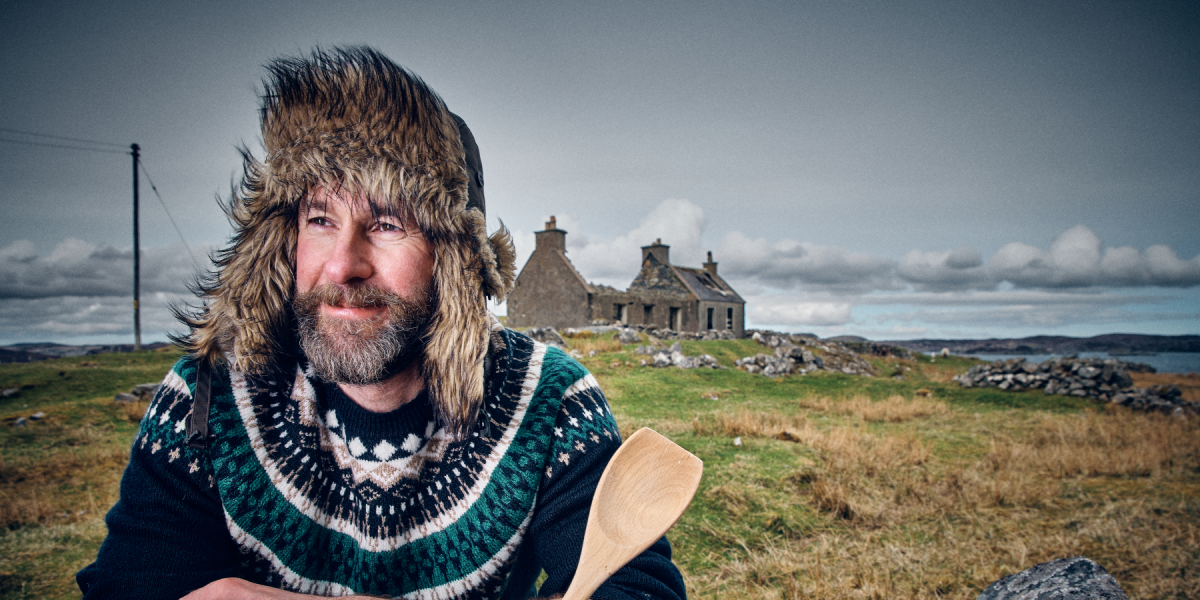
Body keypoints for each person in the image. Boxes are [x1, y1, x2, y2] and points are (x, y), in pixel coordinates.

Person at [77, 46, 687, 600]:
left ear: (454, 259)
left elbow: (637, 587)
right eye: (319, 219)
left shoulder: (547, 401)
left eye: (388, 224)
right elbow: (130, 582)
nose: (342, 265)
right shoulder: (208, 401)